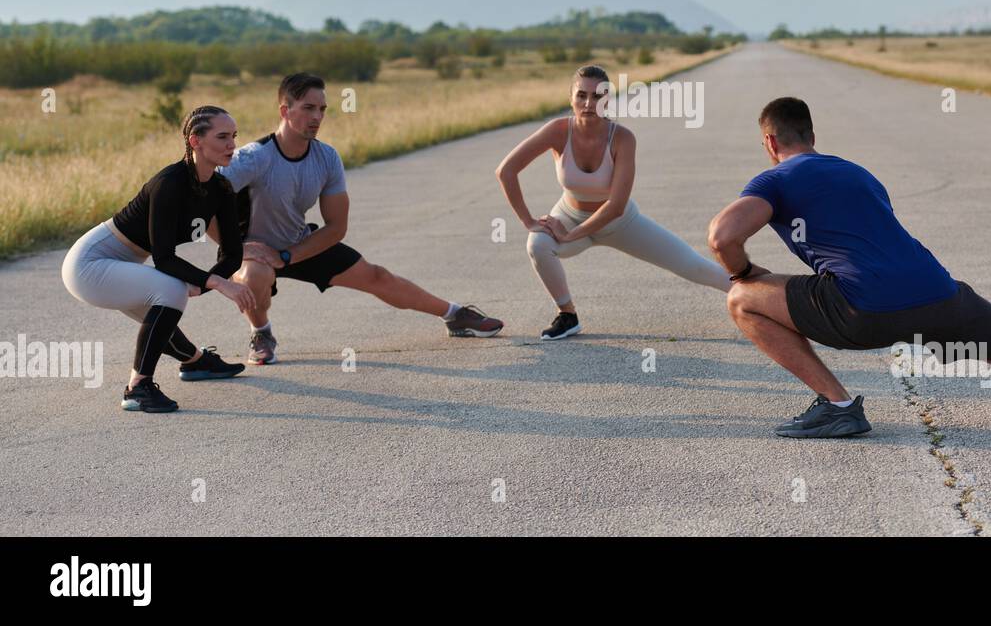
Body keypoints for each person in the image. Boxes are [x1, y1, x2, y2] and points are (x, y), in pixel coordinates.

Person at [708, 96, 991, 439]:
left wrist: (744, 272)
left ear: (770, 141)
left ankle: (839, 407)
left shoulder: (775, 178)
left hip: (861, 310)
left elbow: (722, 236)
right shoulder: (858, 172)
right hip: (941, 297)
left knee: (743, 300)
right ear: (811, 135)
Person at [217, 73, 502, 364]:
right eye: (308, 108)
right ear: (284, 111)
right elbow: (202, 203)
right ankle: (261, 333)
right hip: (252, 250)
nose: (317, 117)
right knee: (255, 276)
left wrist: (288, 255)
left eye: (322, 109)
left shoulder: (327, 158)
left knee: (377, 276)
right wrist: (237, 248)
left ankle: (454, 315)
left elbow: (337, 226)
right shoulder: (253, 158)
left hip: (297, 242)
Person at [496, 64, 731, 339]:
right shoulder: (557, 131)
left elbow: (617, 205)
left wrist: (572, 234)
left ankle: (758, 297)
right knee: (537, 244)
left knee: (694, 266)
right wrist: (529, 221)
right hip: (570, 214)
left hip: (620, 222)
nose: (588, 103)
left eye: (597, 97)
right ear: (570, 97)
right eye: (581, 95)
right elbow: (506, 170)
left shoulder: (622, 138)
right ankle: (567, 315)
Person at [62, 106, 254, 413]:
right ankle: (138, 388)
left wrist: (204, 285)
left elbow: (233, 254)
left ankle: (195, 362)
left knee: (163, 314)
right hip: (89, 265)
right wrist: (215, 282)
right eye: (222, 137)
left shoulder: (221, 187)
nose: (232, 144)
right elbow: (164, 258)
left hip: (123, 264)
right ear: (196, 141)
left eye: (234, 136)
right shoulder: (170, 183)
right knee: (172, 290)